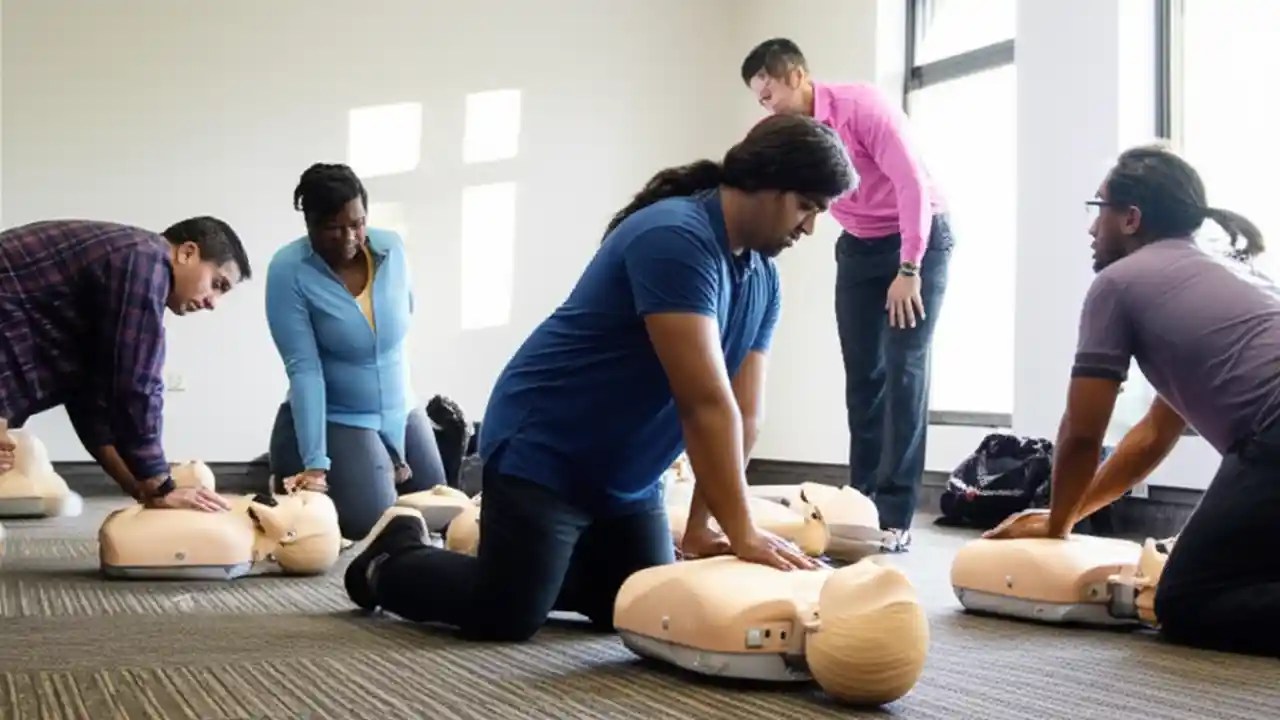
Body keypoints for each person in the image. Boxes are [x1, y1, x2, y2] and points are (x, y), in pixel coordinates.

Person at [343, 114, 856, 642]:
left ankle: (535, 574)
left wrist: (707, 526)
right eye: (807, 206)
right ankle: (394, 556)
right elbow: (704, 403)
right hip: (545, 451)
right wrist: (743, 530)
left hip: (628, 478)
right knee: (505, 615)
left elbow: (744, 414)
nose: (810, 227)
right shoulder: (675, 237)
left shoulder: (764, 280)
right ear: (766, 182)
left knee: (633, 607)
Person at [984, 144, 1279, 657]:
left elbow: (1081, 433)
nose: (1089, 228)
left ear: (1130, 218)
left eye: (1097, 209)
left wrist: (1055, 525)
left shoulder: (1118, 284)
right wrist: (1070, 515)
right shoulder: (1222, 272)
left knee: (1187, 600)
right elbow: (1153, 435)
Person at [740, 38, 953, 552]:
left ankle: (896, 516)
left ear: (795, 75)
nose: (764, 105)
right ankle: (859, 506)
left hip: (915, 241)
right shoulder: (786, 131)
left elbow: (912, 188)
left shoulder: (863, 108)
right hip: (857, 247)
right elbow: (747, 170)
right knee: (864, 376)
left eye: (768, 93)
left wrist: (910, 267)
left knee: (904, 368)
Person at [0, 216, 250, 511]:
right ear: (187, 253)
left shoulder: (124, 266)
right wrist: (160, 481)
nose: (213, 302)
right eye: (217, 284)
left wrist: (143, 488)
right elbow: (136, 385)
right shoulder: (145, 260)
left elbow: (91, 405)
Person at [266, 163, 447, 540]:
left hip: (400, 408)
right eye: (334, 227)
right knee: (375, 526)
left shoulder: (391, 249)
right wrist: (316, 464)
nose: (350, 237)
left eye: (358, 223)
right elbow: (304, 369)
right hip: (341, 414)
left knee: (439, 515)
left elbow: (399, 328)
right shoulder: (289, 270)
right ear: (310, 224)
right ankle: (289, 461)